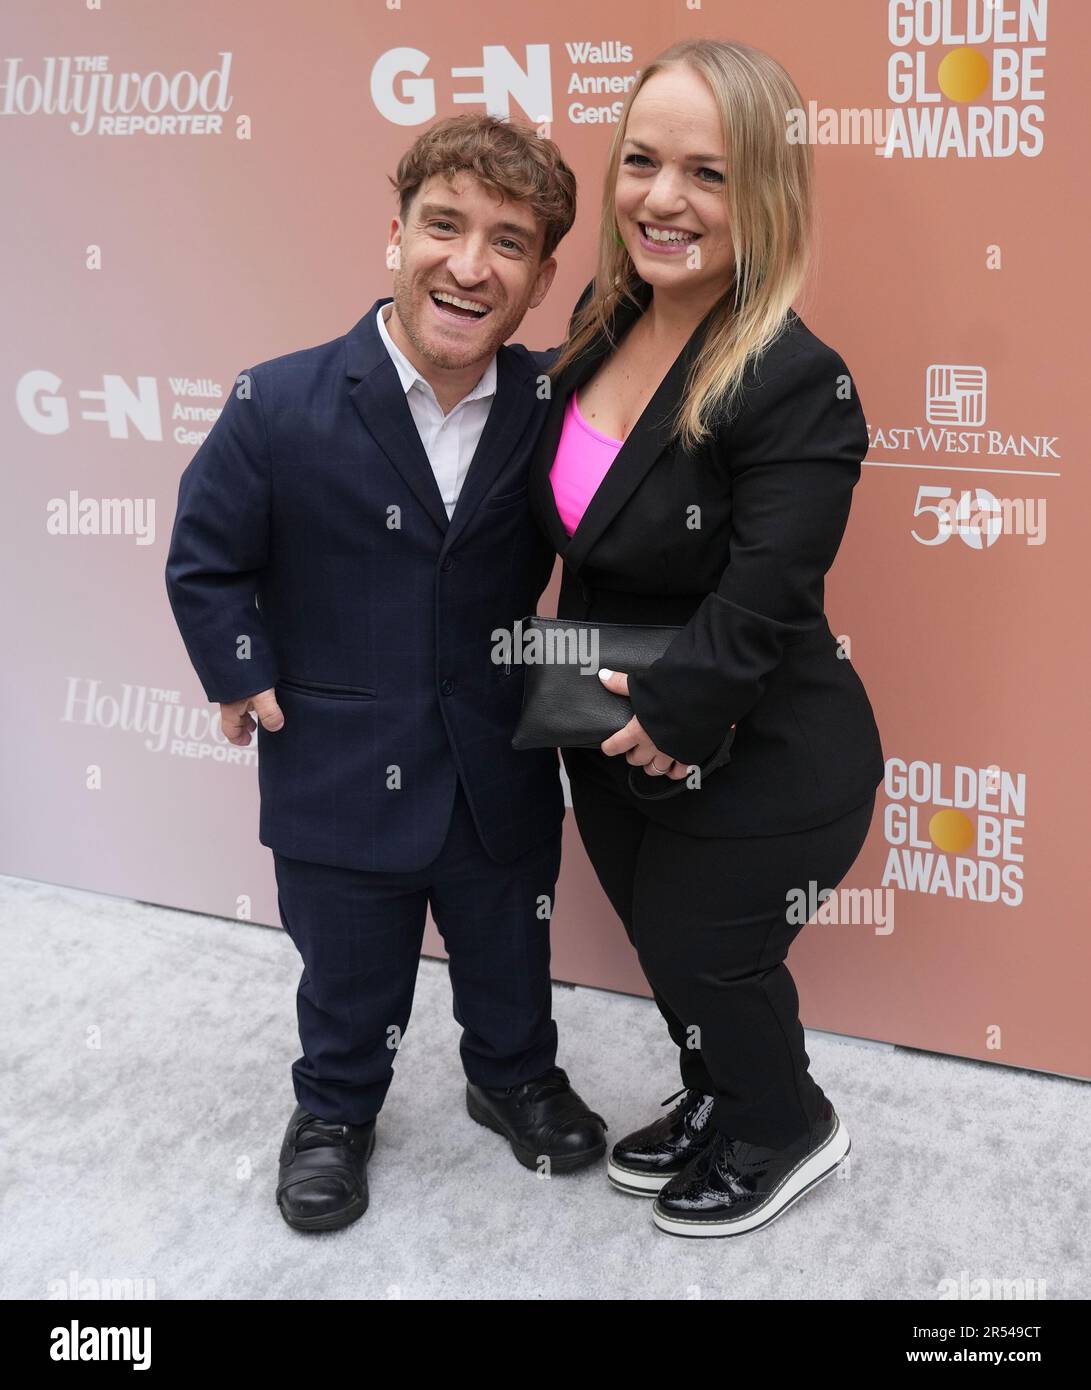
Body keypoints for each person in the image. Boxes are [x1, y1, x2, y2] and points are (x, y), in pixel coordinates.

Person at [164, 114, 607, 1234]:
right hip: (334, 765)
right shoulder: (280, 403)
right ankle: (334, 1110)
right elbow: (207, 558)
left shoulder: (558, 404)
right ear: (393, 235)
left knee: (509, 943)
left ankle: (511, 1074)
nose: (469, 263)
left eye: (508, 243)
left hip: (494, 759)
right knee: (348, 972)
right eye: (444, 226)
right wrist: (238, 667)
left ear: (543, 276)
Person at [529, 39, 885, 1238]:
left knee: (706, 946)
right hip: (603, 722)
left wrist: (674, 723)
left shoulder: (794, 380)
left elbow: (766, 592)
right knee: (664, 946)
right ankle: (725, 1090)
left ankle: (784, 1125)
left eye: (708, 174)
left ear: (766, 195)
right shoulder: (595, 316)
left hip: (761, 749)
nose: (660, 200)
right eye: (639, 162)